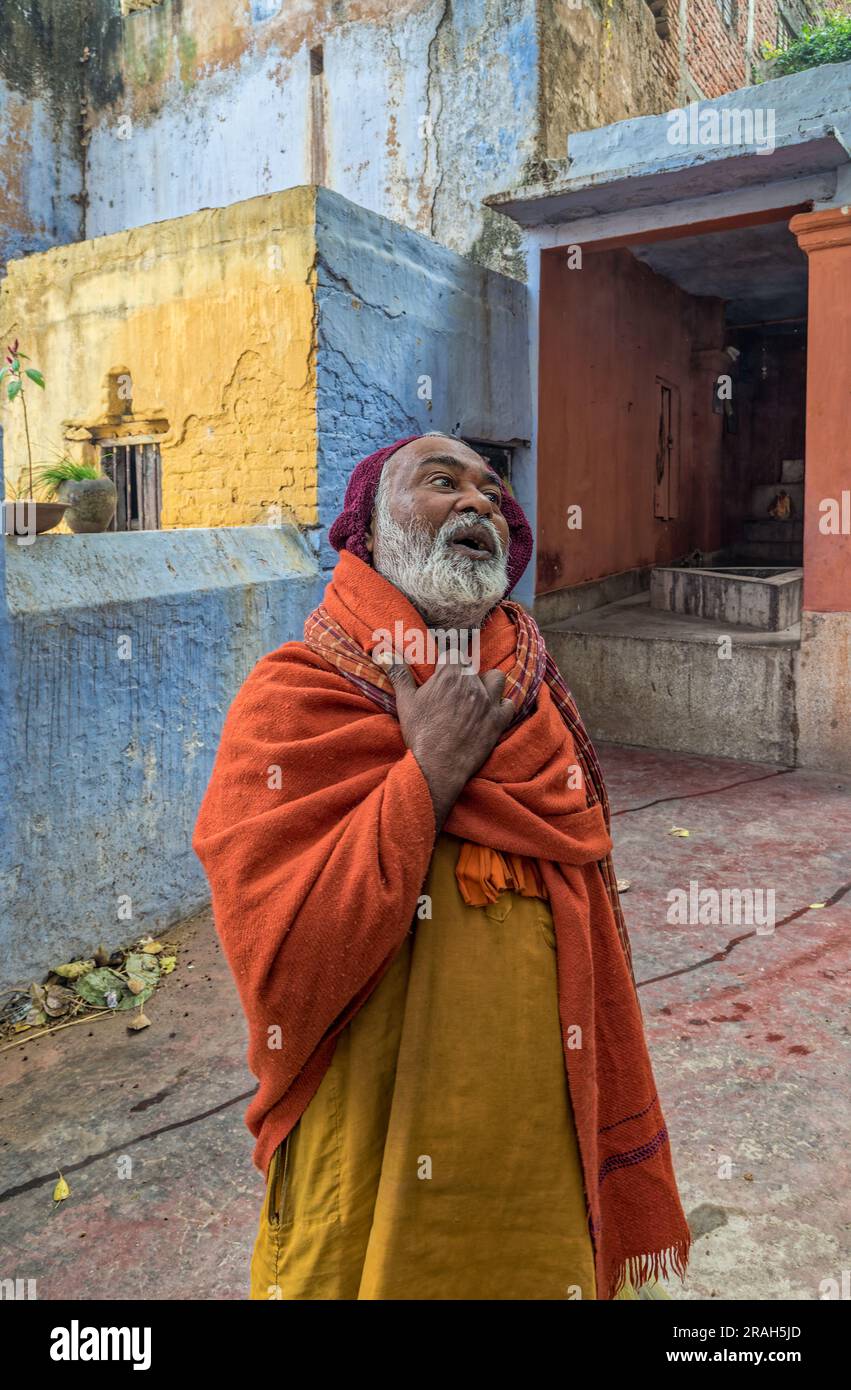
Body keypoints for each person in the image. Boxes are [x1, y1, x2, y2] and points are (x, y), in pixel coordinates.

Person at [192, 432, 691, 1300]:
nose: (479, 504)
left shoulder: (533, 693)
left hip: (536, 1121)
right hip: (374, 1135)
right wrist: (427, 775)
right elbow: (280, 967)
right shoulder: (295, 697)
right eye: (442, 483)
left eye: (492, 493)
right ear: (372, 536)